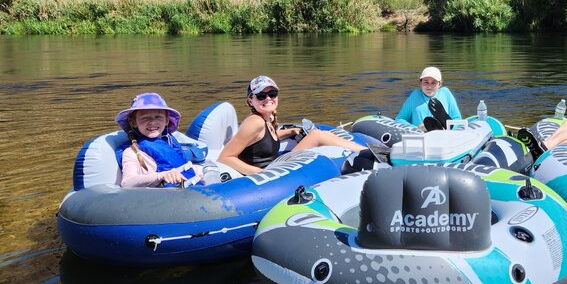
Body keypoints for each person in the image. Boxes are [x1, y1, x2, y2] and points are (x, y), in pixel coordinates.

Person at [217, 75, 370, 175]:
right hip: (271, 173)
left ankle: (366, 151)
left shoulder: (266, 119)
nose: (268, 98)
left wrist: (290, 131)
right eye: (261, 96)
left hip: (274, 166)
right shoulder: (254, 122)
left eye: (272, 94)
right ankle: (369, 153)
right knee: (316, 135)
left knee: (322, 135)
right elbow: (225, 157)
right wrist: (258, 173)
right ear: (251, 101)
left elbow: (265, 139)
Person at [116, 92, 205, 188]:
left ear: (167, 120)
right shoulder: (131, 152)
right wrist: (161, 176)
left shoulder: (170, 143)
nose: (152, 122)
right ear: (133, 122)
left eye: (158, 117)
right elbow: (128, 182)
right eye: (145, 118)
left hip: (192, 190)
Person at [395, 66, 462, 129]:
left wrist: (451, 127)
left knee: (450, 124)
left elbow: (458, 118)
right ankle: (436, 126)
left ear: (440, 84)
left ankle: (443, 125)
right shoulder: (415, 95)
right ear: (420, 83)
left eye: (433, 83)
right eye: (426, 82)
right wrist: (417, 128)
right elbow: (399, 119)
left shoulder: (445, 93)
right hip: (420, 133)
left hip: (444, 133)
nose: (429, 87)